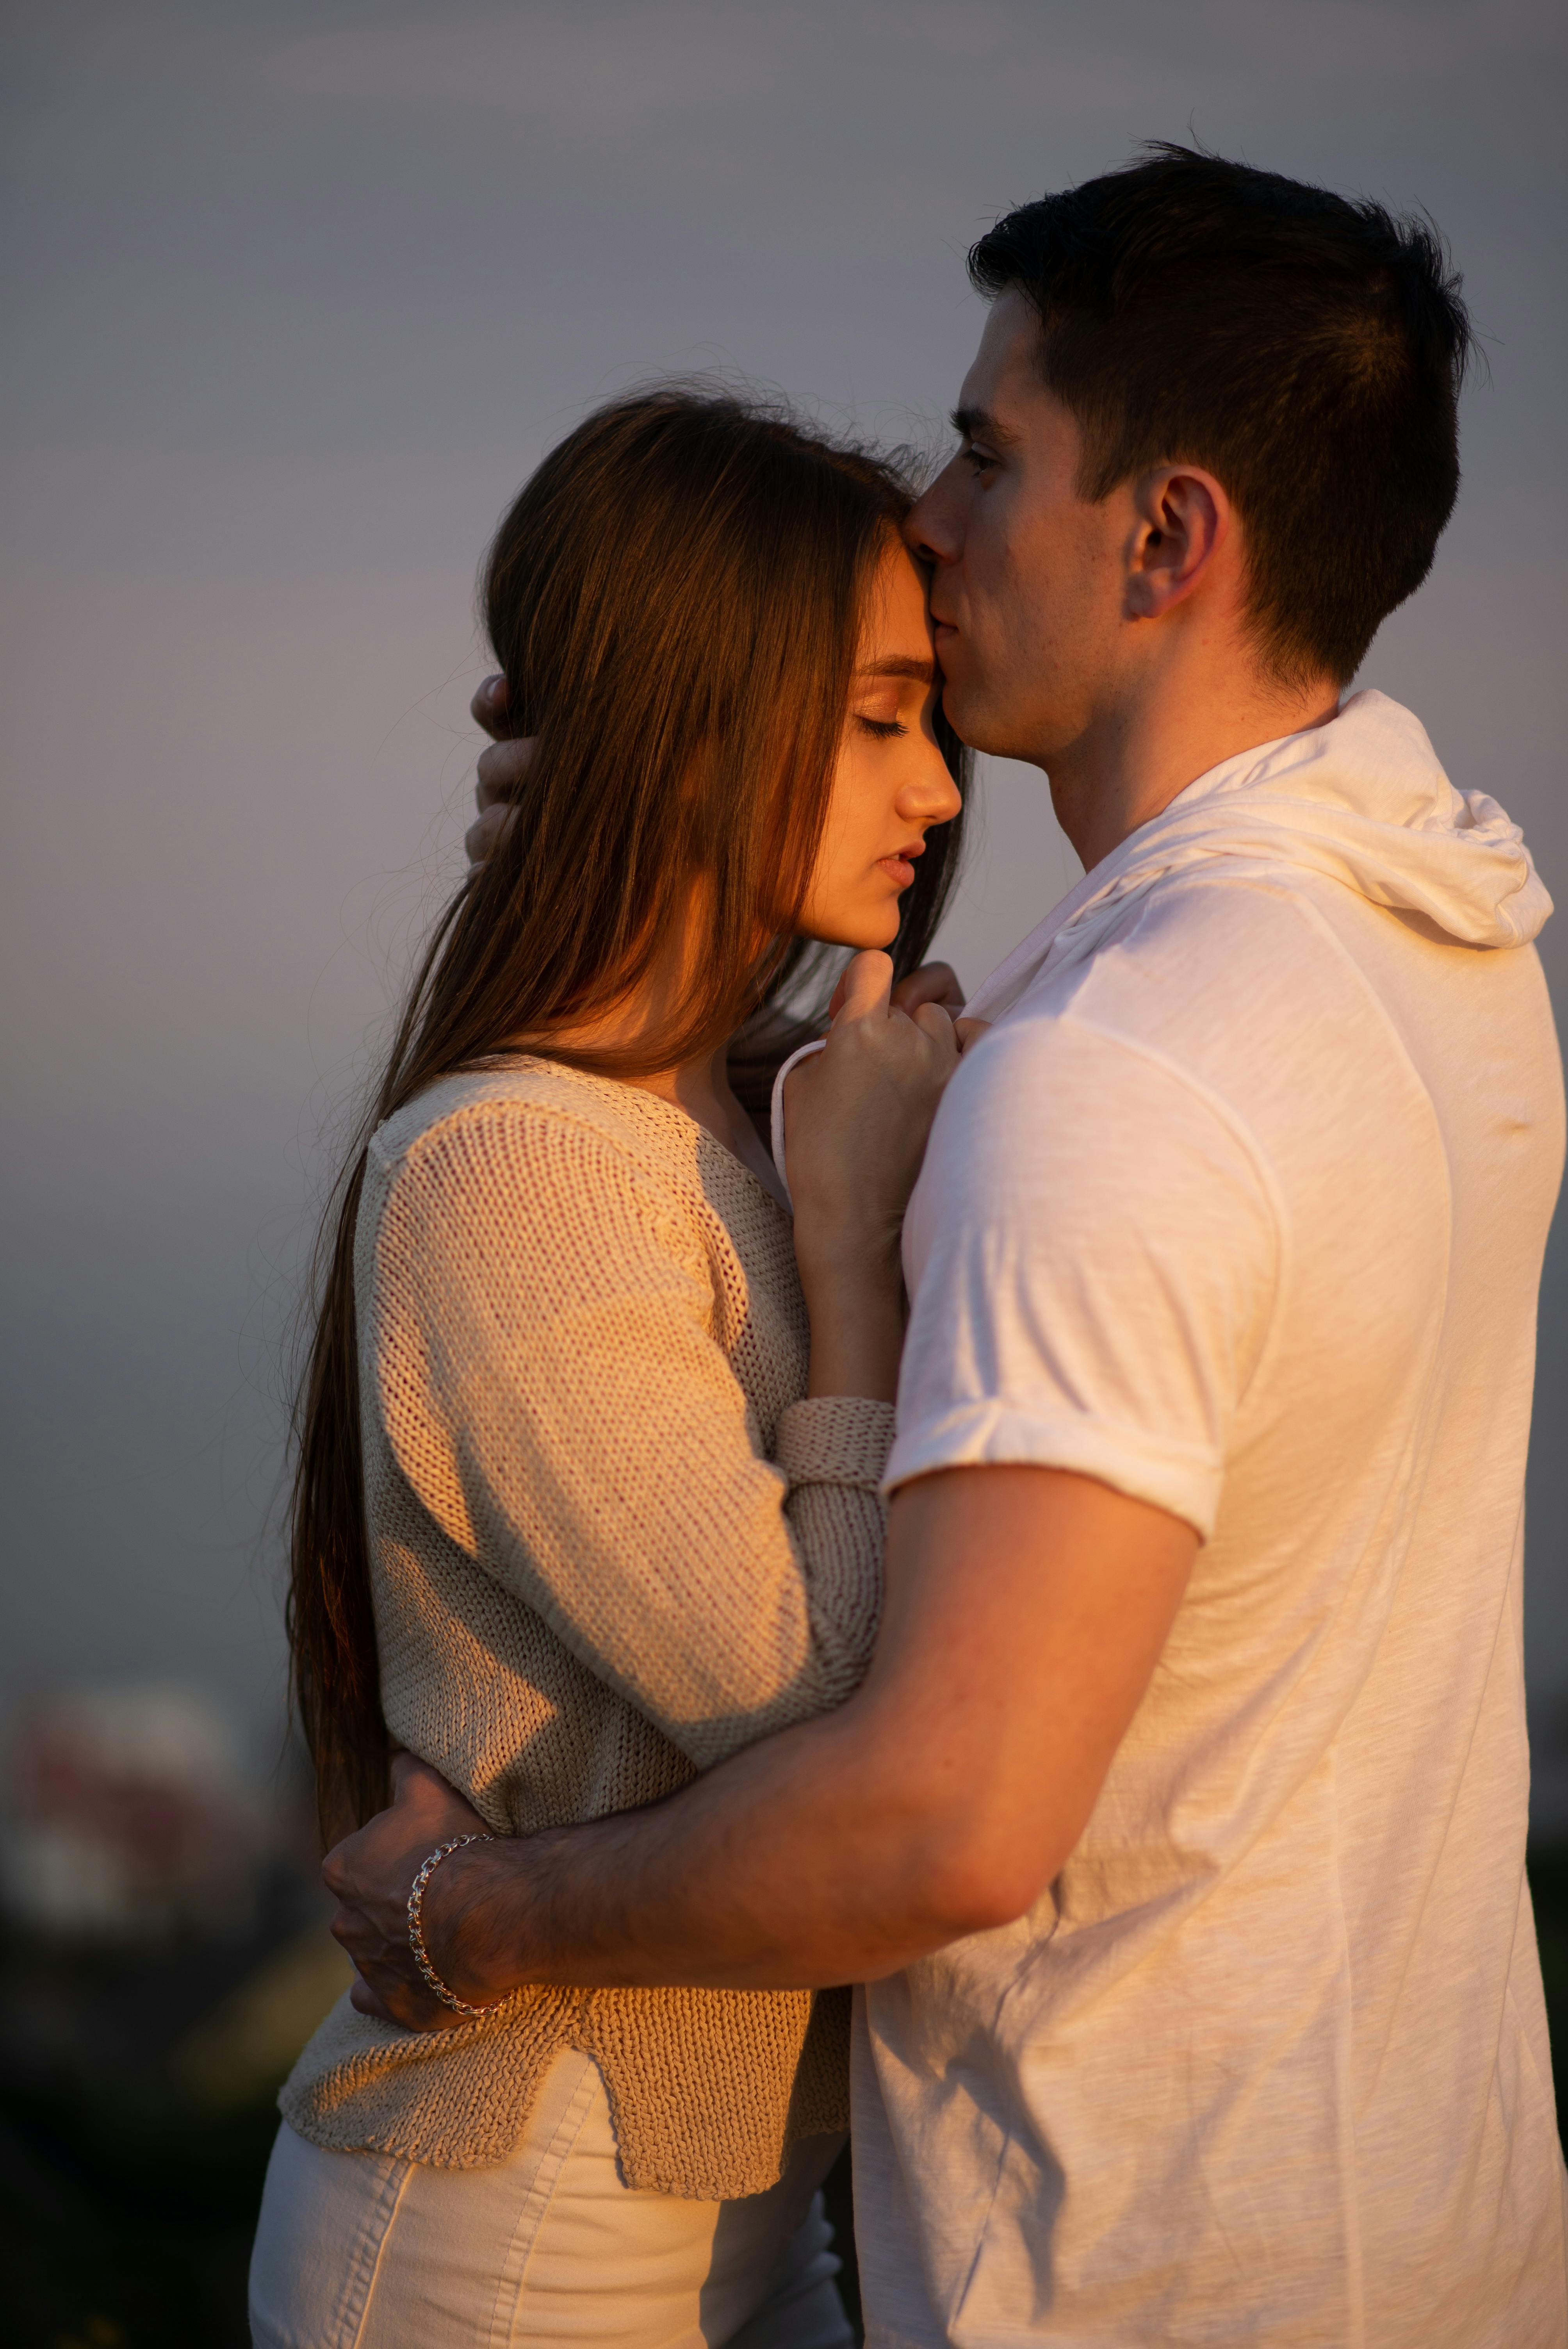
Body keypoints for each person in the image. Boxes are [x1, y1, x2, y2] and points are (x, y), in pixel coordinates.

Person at [325, 149, 1567, 2344]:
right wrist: (645, 822)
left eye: (995, 458)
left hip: (1140, 2248)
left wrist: (479, 1915)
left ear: (1169, 534)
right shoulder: (1447, 950)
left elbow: (933, 1813)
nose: (935, 510)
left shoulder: (1124, 1069)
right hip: (1409, 2202)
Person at [248, 387, 979, 2347]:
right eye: (876, 718)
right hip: (512, 2227)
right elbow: (804, 1693)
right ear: (693, 721)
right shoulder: (514, 1172)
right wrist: (848, 1247)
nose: (933, 791)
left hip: (754, 2202)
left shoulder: (738, 1113)